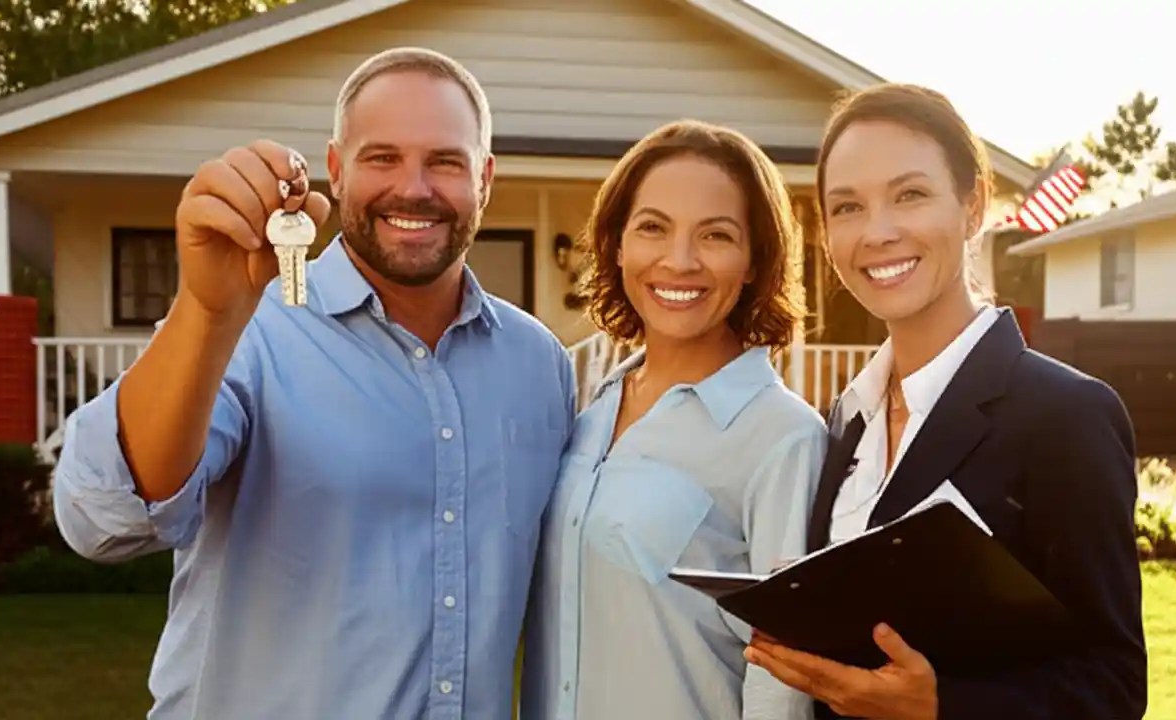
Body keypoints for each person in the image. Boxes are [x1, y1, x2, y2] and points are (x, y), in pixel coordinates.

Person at [51, 47, 575, 720]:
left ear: (486, 178)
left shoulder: (539, 365)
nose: (413, 188)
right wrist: (206, 313)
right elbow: (103, 520)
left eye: (445, 161)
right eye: (381, 157)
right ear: (335, 169)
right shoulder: (247, 330)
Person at [743, 83, 1147, 720]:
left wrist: (942, 707)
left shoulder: (1065, 415)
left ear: (973, 205)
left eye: (910, 195)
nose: (877, 232)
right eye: (847, 207)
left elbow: (1115, 685)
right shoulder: (843, 422)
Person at [519, 119, 828, 720]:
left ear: (753, 260)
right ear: (616, 244)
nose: (679, 260)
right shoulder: (591, 409)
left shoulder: (782, 437)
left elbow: (781, 679)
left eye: (715, 235)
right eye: (653, 228)